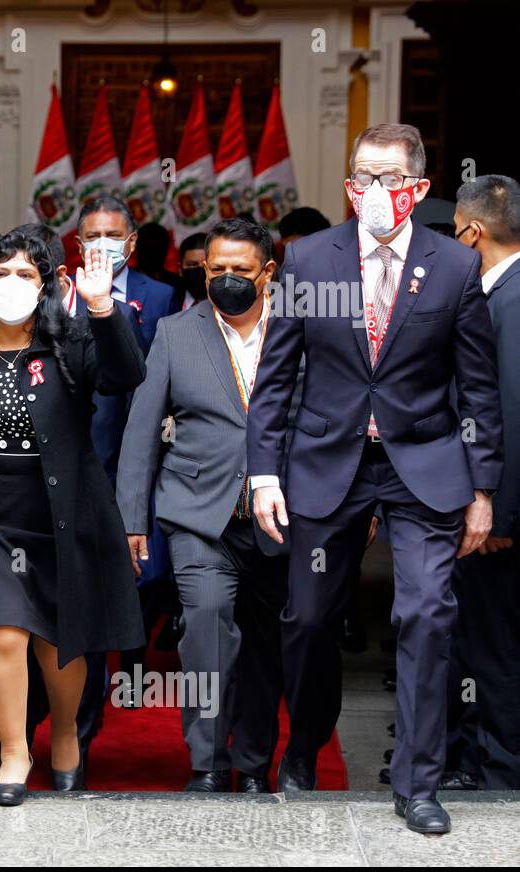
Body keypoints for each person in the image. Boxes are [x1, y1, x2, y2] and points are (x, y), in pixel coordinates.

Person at [247, 124, 503, 834]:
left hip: (423, 464)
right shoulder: (306, 260)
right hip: (327, 461)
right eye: (363, 177)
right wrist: (263, 472)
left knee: (425, 612)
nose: (375, 191)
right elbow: (275, 382)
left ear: (417, 189)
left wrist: (482, 490)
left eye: (390, 179)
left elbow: (478, 389)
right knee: (307, 618)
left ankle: (418, 782)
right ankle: (302, 749)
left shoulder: (453, 266)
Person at [0, 230, 146, 806]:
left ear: (47, 285)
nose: (12, 285)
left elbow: (124, 375)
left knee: (59, 642)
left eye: (26, 275)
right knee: (6, 632)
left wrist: (102, 307)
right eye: (1, 274)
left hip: (63, 512)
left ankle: (65, 734)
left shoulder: (72, 339)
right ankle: (14, 750)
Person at [117, 218, 289, 793]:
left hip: (278, 517)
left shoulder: (299, 329)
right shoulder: (174, 331)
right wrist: (132, 519)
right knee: (207, 627)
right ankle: (209, 763)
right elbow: (141, 429)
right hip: (197, 514)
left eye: (241, 270)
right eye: (217, 270)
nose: (227, 279)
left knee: (266, 644)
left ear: (268, 272)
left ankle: (256, 765)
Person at [446, 174, 520, 790]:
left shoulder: (510, 299)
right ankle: (476, 760)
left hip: (501, 518)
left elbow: (512, 410)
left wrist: (498, 509)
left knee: (496, 649)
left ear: (471, 234)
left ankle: (502, 774)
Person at [76, 197, 182, 482]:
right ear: (79, 244)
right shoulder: (66, 295)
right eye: (92, 236)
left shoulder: (162, 294)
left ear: (132, 241)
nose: (102, 243)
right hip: (84, 432)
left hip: (143, 427)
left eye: (112, 236)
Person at [178, 231, 207, 309]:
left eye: (206, 264)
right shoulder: (170, 300)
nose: (201, 271)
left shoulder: (227, 304)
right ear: (180, 269)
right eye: (193, 264)